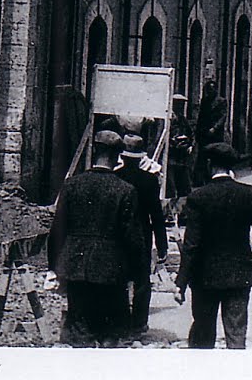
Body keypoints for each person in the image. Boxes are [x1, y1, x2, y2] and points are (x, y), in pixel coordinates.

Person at [174, 142, 252, 349]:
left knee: (203, 331)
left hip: (204, 276)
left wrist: (181, 282)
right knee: (236, 334)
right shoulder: (248, 193)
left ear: (210, 165)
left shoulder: (198, 197)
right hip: (239, 273)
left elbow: (191, 245)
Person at [49, 129, 143, 347]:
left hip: (75, 267)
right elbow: (132, 237)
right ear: (118, 156)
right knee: (109, 333)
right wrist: (136, 271)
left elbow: (57, 230)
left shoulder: (72, 184)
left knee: (80, 331)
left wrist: (53, 266)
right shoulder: (125, 190)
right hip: (111, 270)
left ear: (93, 151)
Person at [117, 133, 169, 335]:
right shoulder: (149, 180)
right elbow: (156, 215)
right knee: (142, 280)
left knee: (120, 277)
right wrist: (162, 246)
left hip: (120, 234)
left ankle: (121, 320)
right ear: (140, 157)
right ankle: (139, 323)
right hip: (142, 234)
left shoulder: (117, 176)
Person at [192, 81, 228, 186]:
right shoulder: (205, 101)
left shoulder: (221, 101)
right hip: (204, 133)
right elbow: (201, 117)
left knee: (214, 154)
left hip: (215, 134)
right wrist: (198, 131)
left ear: (216, 90)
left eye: (212, 89)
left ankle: (212, 178)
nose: (210, 92)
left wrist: (215, 128)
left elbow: (223, 117)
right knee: (202, 156)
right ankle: (200, 180)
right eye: (208, 90)